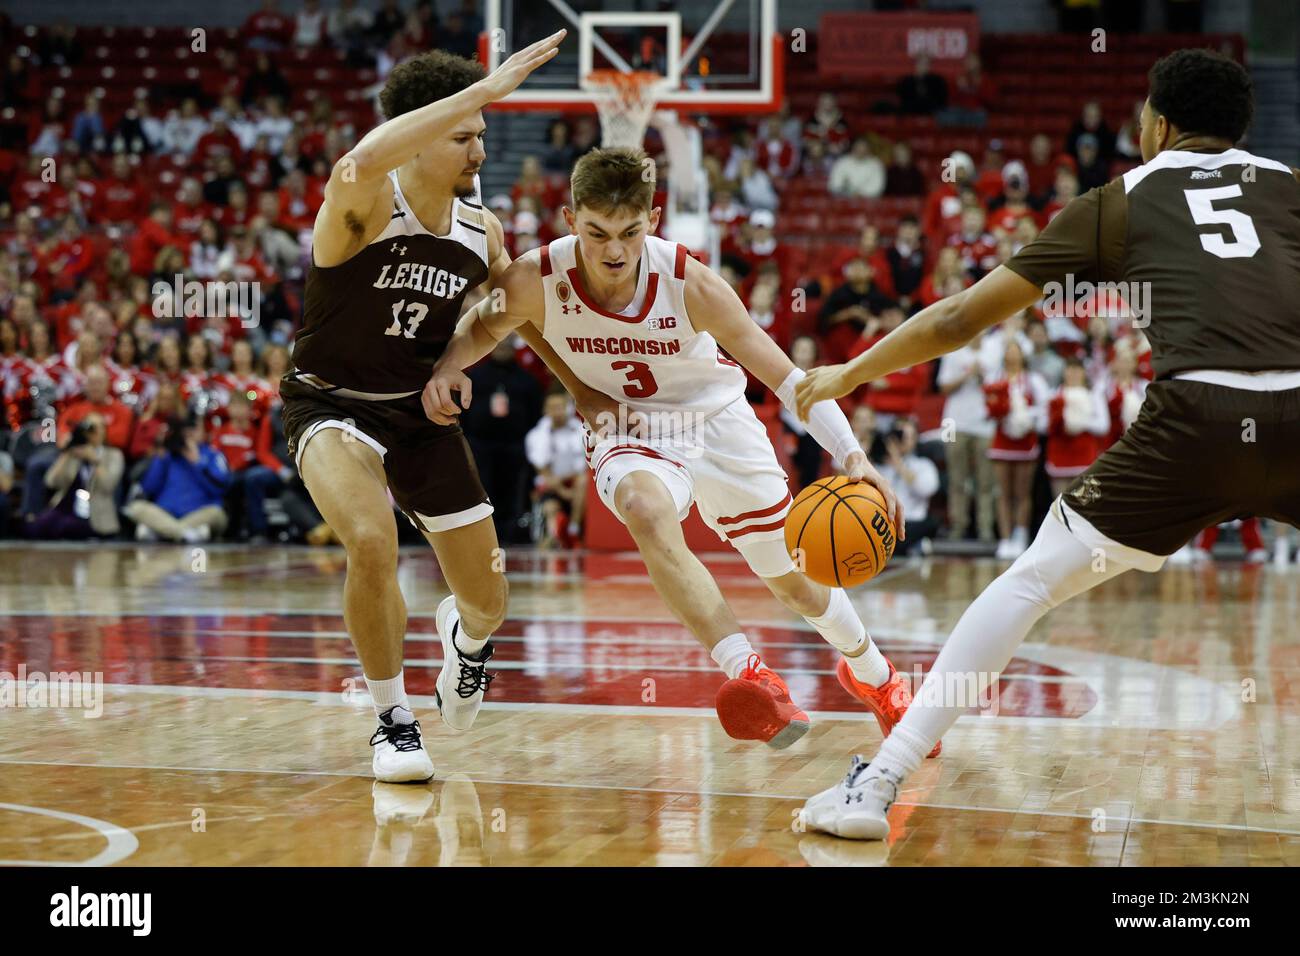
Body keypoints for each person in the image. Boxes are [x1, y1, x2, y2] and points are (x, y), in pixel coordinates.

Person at [793, 49, 1300, 839]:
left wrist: (851, 372)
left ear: (1158, 124)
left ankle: (878, 784)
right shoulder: (1289, 186)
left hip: (1194, 419)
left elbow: (961, 318)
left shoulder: (1119, 200)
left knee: (1028, 584)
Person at [428, 147, 938, 756]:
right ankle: (750, 673)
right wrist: (447, 368)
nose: (613, 251)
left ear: (654, 218)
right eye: (596, 233)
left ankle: (875, 676)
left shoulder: (690, 282)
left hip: (717, 419)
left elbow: (787, 379)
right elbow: (484, 325)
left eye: (629, 232)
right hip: (629, 427)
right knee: (645, 510)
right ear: (570, 221)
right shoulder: (538, 279)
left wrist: (854, 457)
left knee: (797, 583)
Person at [276, 34, 568, 783]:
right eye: (465, 133)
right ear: (422, 131)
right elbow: (360, 159)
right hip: (330, 407)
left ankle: (465, 645)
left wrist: (457, 361)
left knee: (489, 602)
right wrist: (482, 87)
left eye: (483, 134)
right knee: (372, 541)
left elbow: (509, 312)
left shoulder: (482, 230)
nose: (479, 147)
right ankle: (392, 719)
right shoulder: (366, 198)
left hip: (418, 416)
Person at [124, 413, 230, 542]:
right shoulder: (168, 456)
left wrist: (198, 463)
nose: (189, 434)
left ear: (204, 433)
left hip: (200, 513)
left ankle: (165, 531)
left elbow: (220, 489)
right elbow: (149, 488)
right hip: (167, 513)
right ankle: (186, 533)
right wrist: (160, 459)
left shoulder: (213, 455)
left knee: (216, 513)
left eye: (194, 429)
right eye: (186, 430)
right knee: (136, 507)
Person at [28, 413, 123, 540]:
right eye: (89, 428)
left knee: (67, 527)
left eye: (96, 427)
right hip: (66, 507)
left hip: (94, 512)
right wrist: (67, 452)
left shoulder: (114, 455)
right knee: (34, 528)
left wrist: (95, 460)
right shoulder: (74, 453)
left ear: (104, 431)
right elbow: (51, 481)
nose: (92, 432)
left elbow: (108, 486)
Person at [524, 387, 587, 548]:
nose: (557, 411)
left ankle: (574, 529)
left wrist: (569, 486)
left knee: (583, 481)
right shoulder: (536, 435)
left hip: (575, 484)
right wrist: (562, 491)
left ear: (568, 408)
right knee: (551, 508)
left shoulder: (580, 430)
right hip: (552, 486)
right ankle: (556, 535)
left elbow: (584, 464)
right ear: (545, 410)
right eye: (552, 408)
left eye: (560, 407)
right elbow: (541, 469)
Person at [876, 418, 940, 553]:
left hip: (912, 521)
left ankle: (911, 545)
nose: (903, 440)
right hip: (884, 522)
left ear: (916, 439)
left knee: (931, 524)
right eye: (900, 435)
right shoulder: (879, 465)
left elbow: (927, 489)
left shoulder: (923, 464)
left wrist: (898, 462)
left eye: (909, 436)